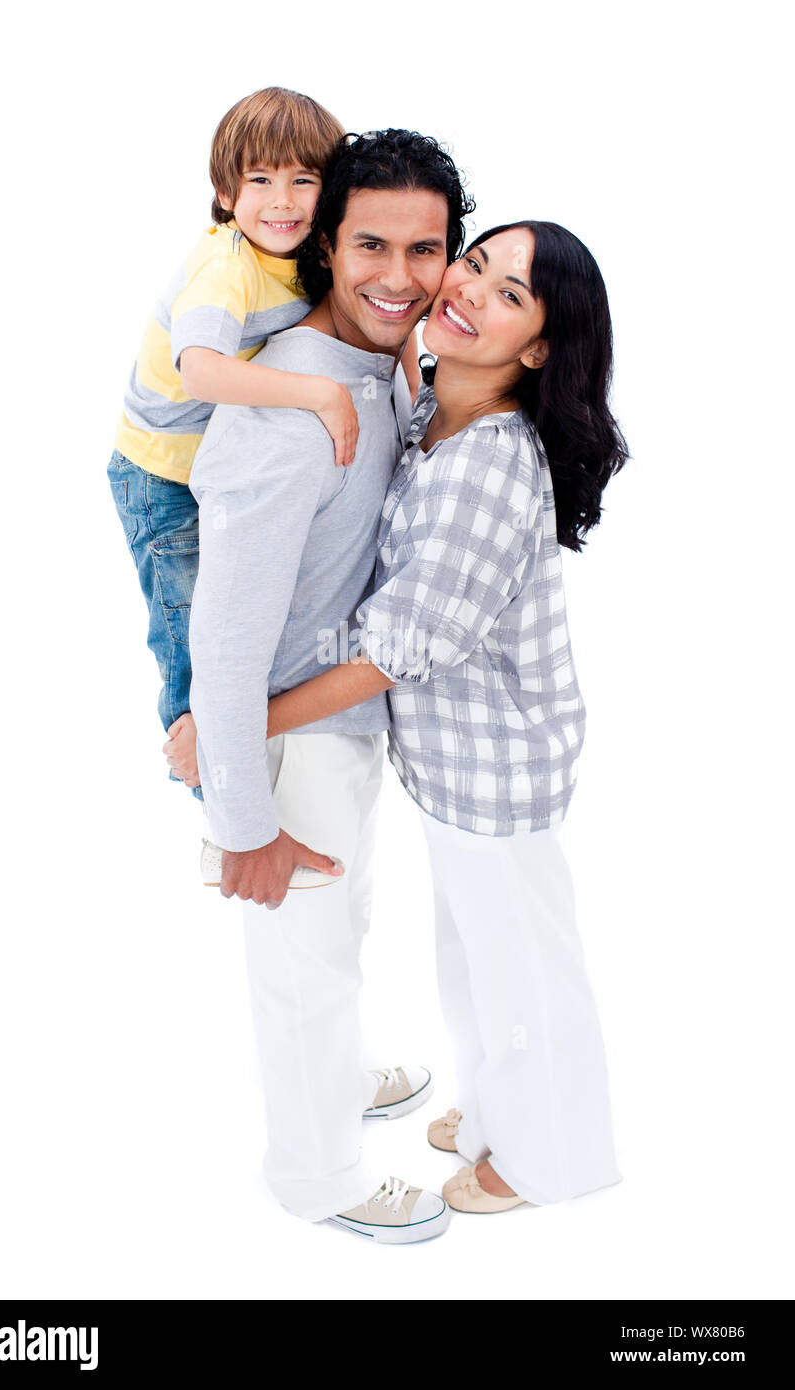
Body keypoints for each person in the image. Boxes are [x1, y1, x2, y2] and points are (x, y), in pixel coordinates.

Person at [260, 221, 629, 1215]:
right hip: (456, 762)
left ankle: (549, 1157)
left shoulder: (487, 465)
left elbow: (395, 647)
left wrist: (254, 715)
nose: (466, 290)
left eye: (508, 294)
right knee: (470, 954)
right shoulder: (436, 408)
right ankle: (492, 1113)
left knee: (520, 971)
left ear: (539, 346)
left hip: (497, 765)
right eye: (473, 263)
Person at [186, 131, 475, 1243]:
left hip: (339, 716)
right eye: (368, 244)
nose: (397, 277)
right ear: (322, 242)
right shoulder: (290, 407)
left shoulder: (373, 363)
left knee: (339, 922)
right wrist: (241, 820)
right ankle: (317, 1175)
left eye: (424, 248)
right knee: (300, 956)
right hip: (284, 733)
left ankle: (341, 1074)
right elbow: (223, 630)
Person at [107, 87, 354, 774]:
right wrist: (320, 395)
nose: (283, 200)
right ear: (225, 193)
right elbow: (203, 374)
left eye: (304, 180)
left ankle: (241, 772)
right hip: (159, 475)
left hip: (209, 465)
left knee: (241, 628)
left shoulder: (306, 257)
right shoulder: (227, 268)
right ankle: (217, 807)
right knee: (194, 640)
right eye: (261, 179)